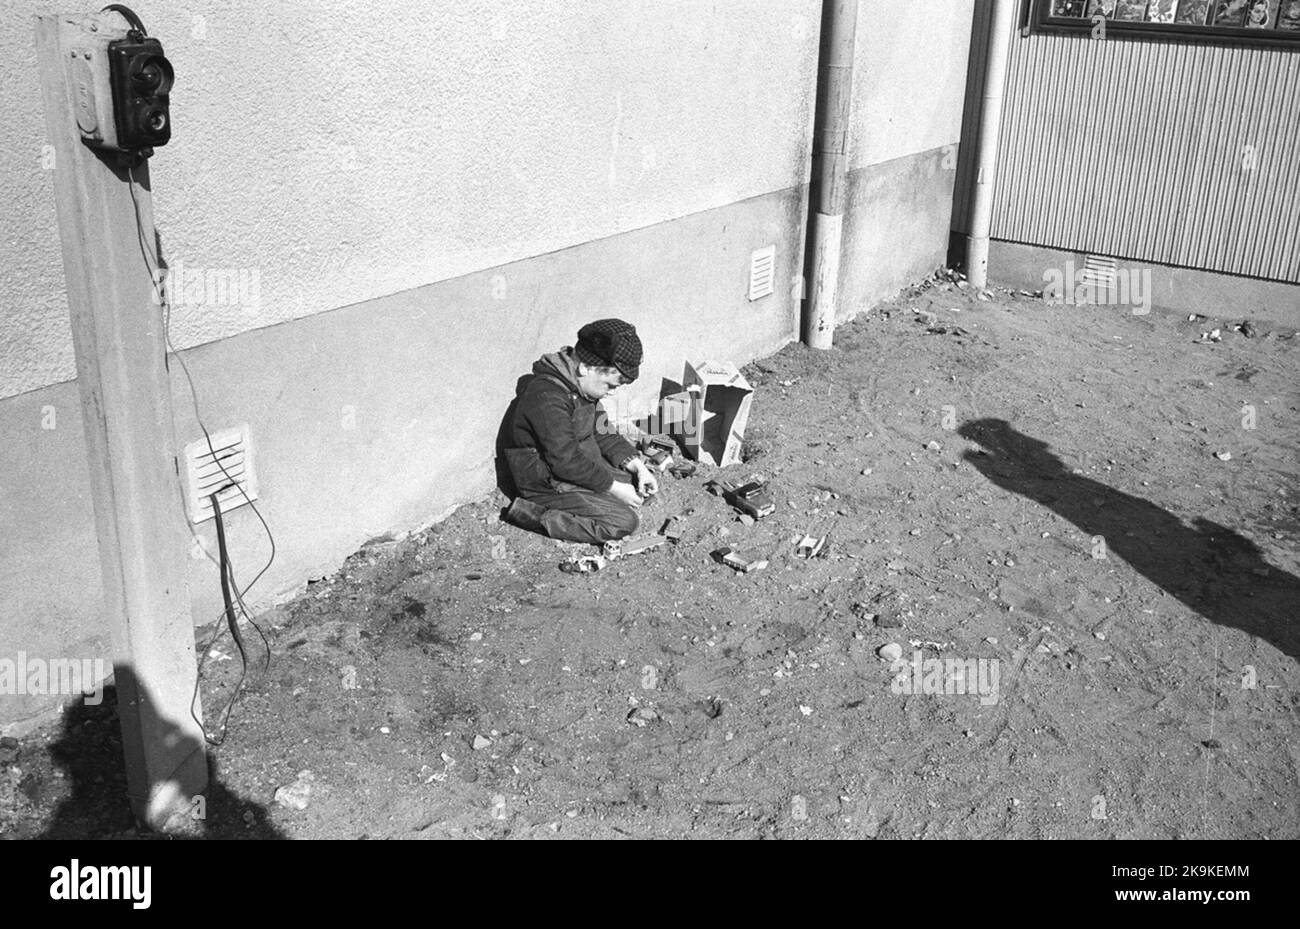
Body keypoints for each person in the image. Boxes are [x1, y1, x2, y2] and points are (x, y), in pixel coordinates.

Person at [500, 318, 659, 544]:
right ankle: (532, 514)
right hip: (547, 481)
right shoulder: (547, 398)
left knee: (638, 488)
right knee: (624, 523)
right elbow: (565, 461)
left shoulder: (582, 387)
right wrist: (613, 488)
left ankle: (608, 491)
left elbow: (603, 432)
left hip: (579, 464)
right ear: (585, 368)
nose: (611, 393)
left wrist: (638, 466)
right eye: (610, 385)